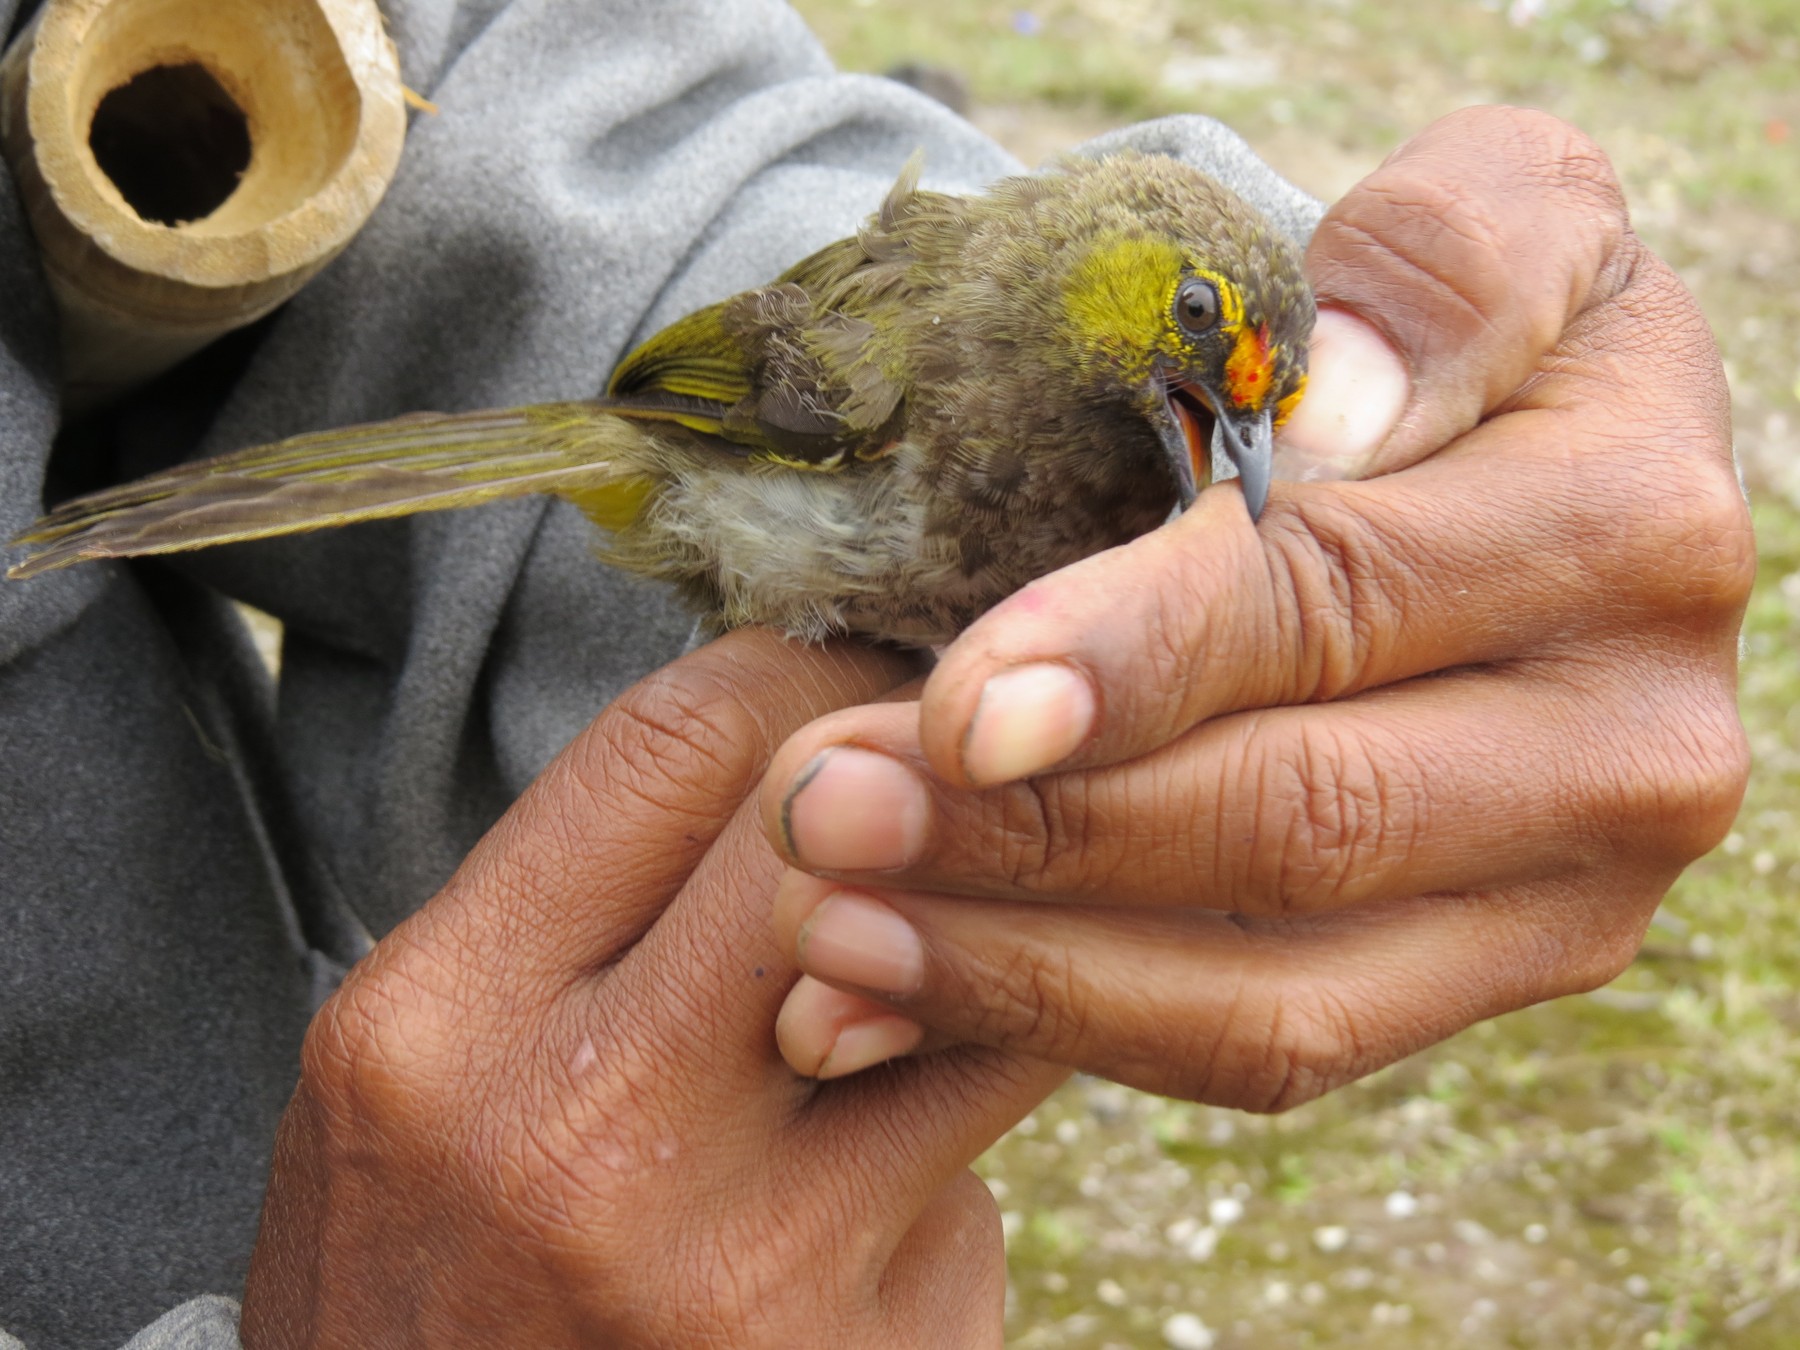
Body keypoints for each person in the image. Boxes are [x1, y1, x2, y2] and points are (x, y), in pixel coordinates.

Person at [0, 0, 1748, 1346]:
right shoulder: (945, 356)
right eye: (1209, 348)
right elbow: (676, 389)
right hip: (688, 458)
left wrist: (1434, 520)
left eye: (1250, 408)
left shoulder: (1139, 427)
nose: (1224, 425)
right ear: (1131, 282)